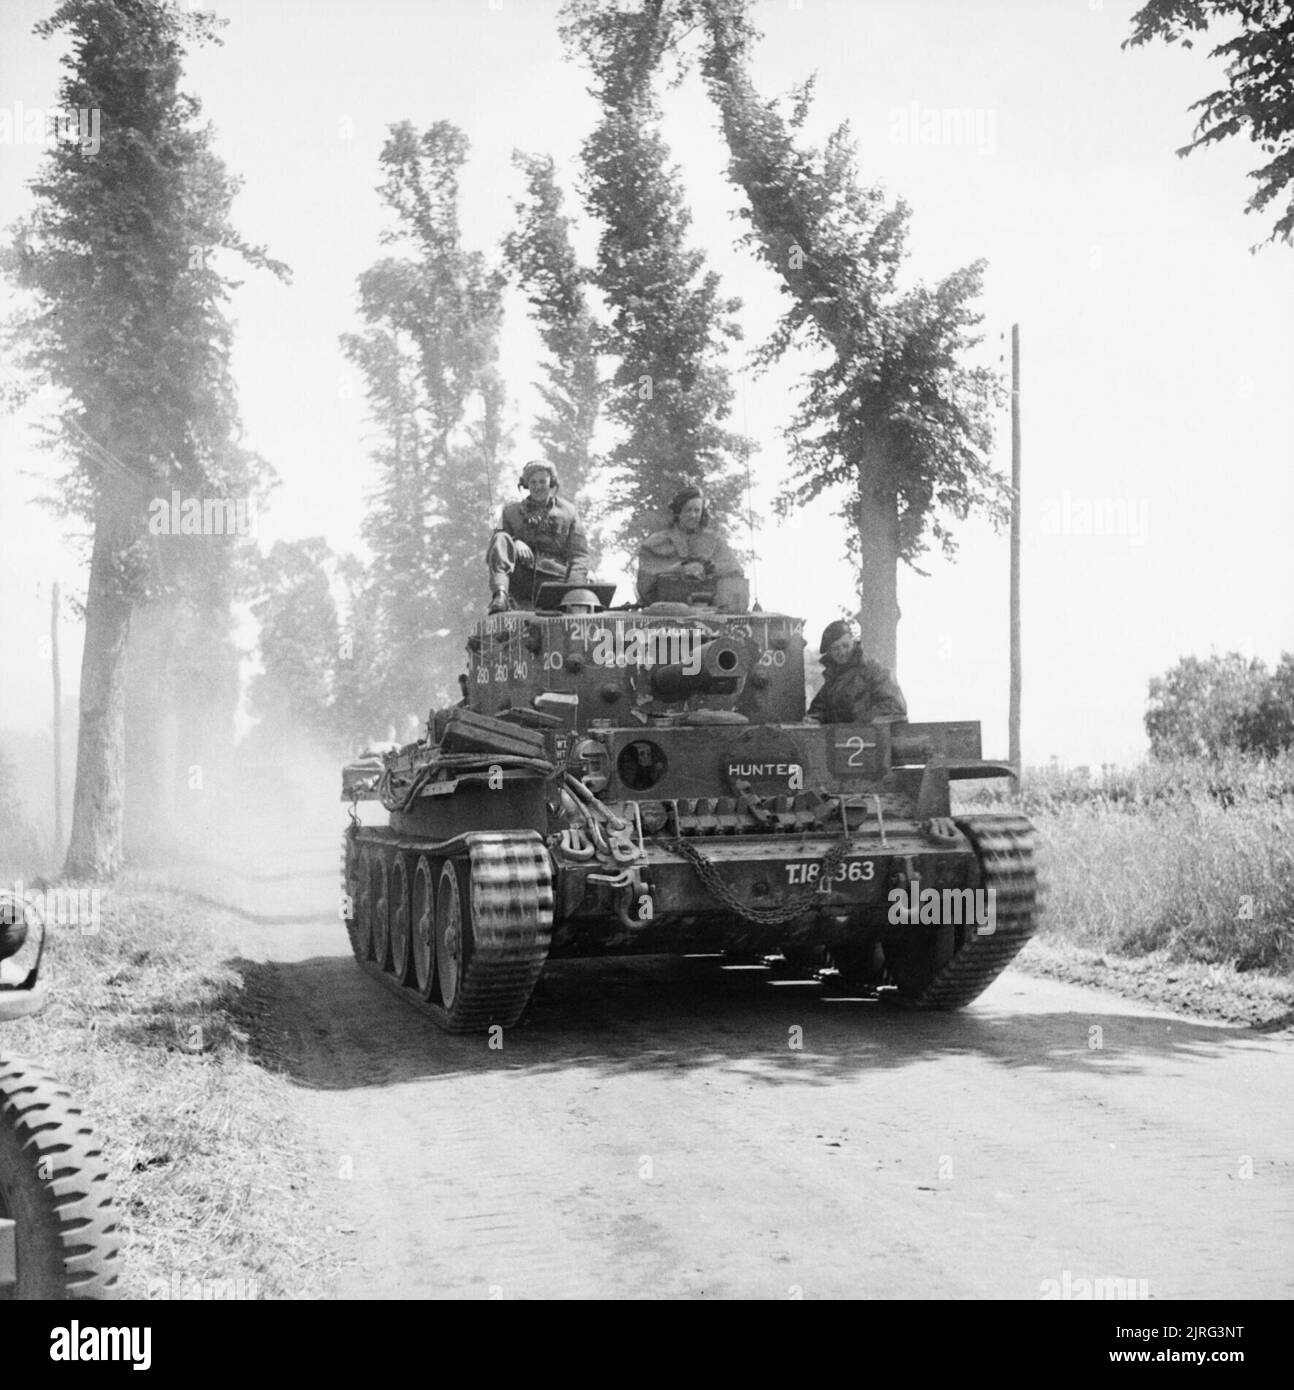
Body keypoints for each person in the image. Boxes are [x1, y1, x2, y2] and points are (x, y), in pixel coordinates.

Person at [486, 461, 589, 613]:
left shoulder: (569, 512)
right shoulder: (510, 512)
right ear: (526, 485)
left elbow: (579, 555)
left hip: (555, 581)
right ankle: (500, 595)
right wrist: (515, 541)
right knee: (501, 536)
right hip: (522, 579)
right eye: (533, 482)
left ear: (551, 483)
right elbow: (497, 545)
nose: (538, 486)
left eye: (542, 481)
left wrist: (574, 589)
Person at [636, 485, 748, 609]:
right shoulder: (656, 542)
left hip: (710, 613)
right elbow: (645, 583)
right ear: (679, 511)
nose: (693, 515)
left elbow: (735, 572)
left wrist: (707, 569)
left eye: (697, 510)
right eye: (688, 510)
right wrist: (678, 569)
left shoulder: (715, 541)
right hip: (667, 612)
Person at [807, 620, 907, 725]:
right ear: (830, 653)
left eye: (845, 645)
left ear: (853, 643)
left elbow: (895, 705)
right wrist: (815, 719)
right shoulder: (832, 681)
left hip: (869, 738)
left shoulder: (874, 671)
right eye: (835, 648)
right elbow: (819, 709)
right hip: (841, 738)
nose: (841, 652)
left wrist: (861, 721)